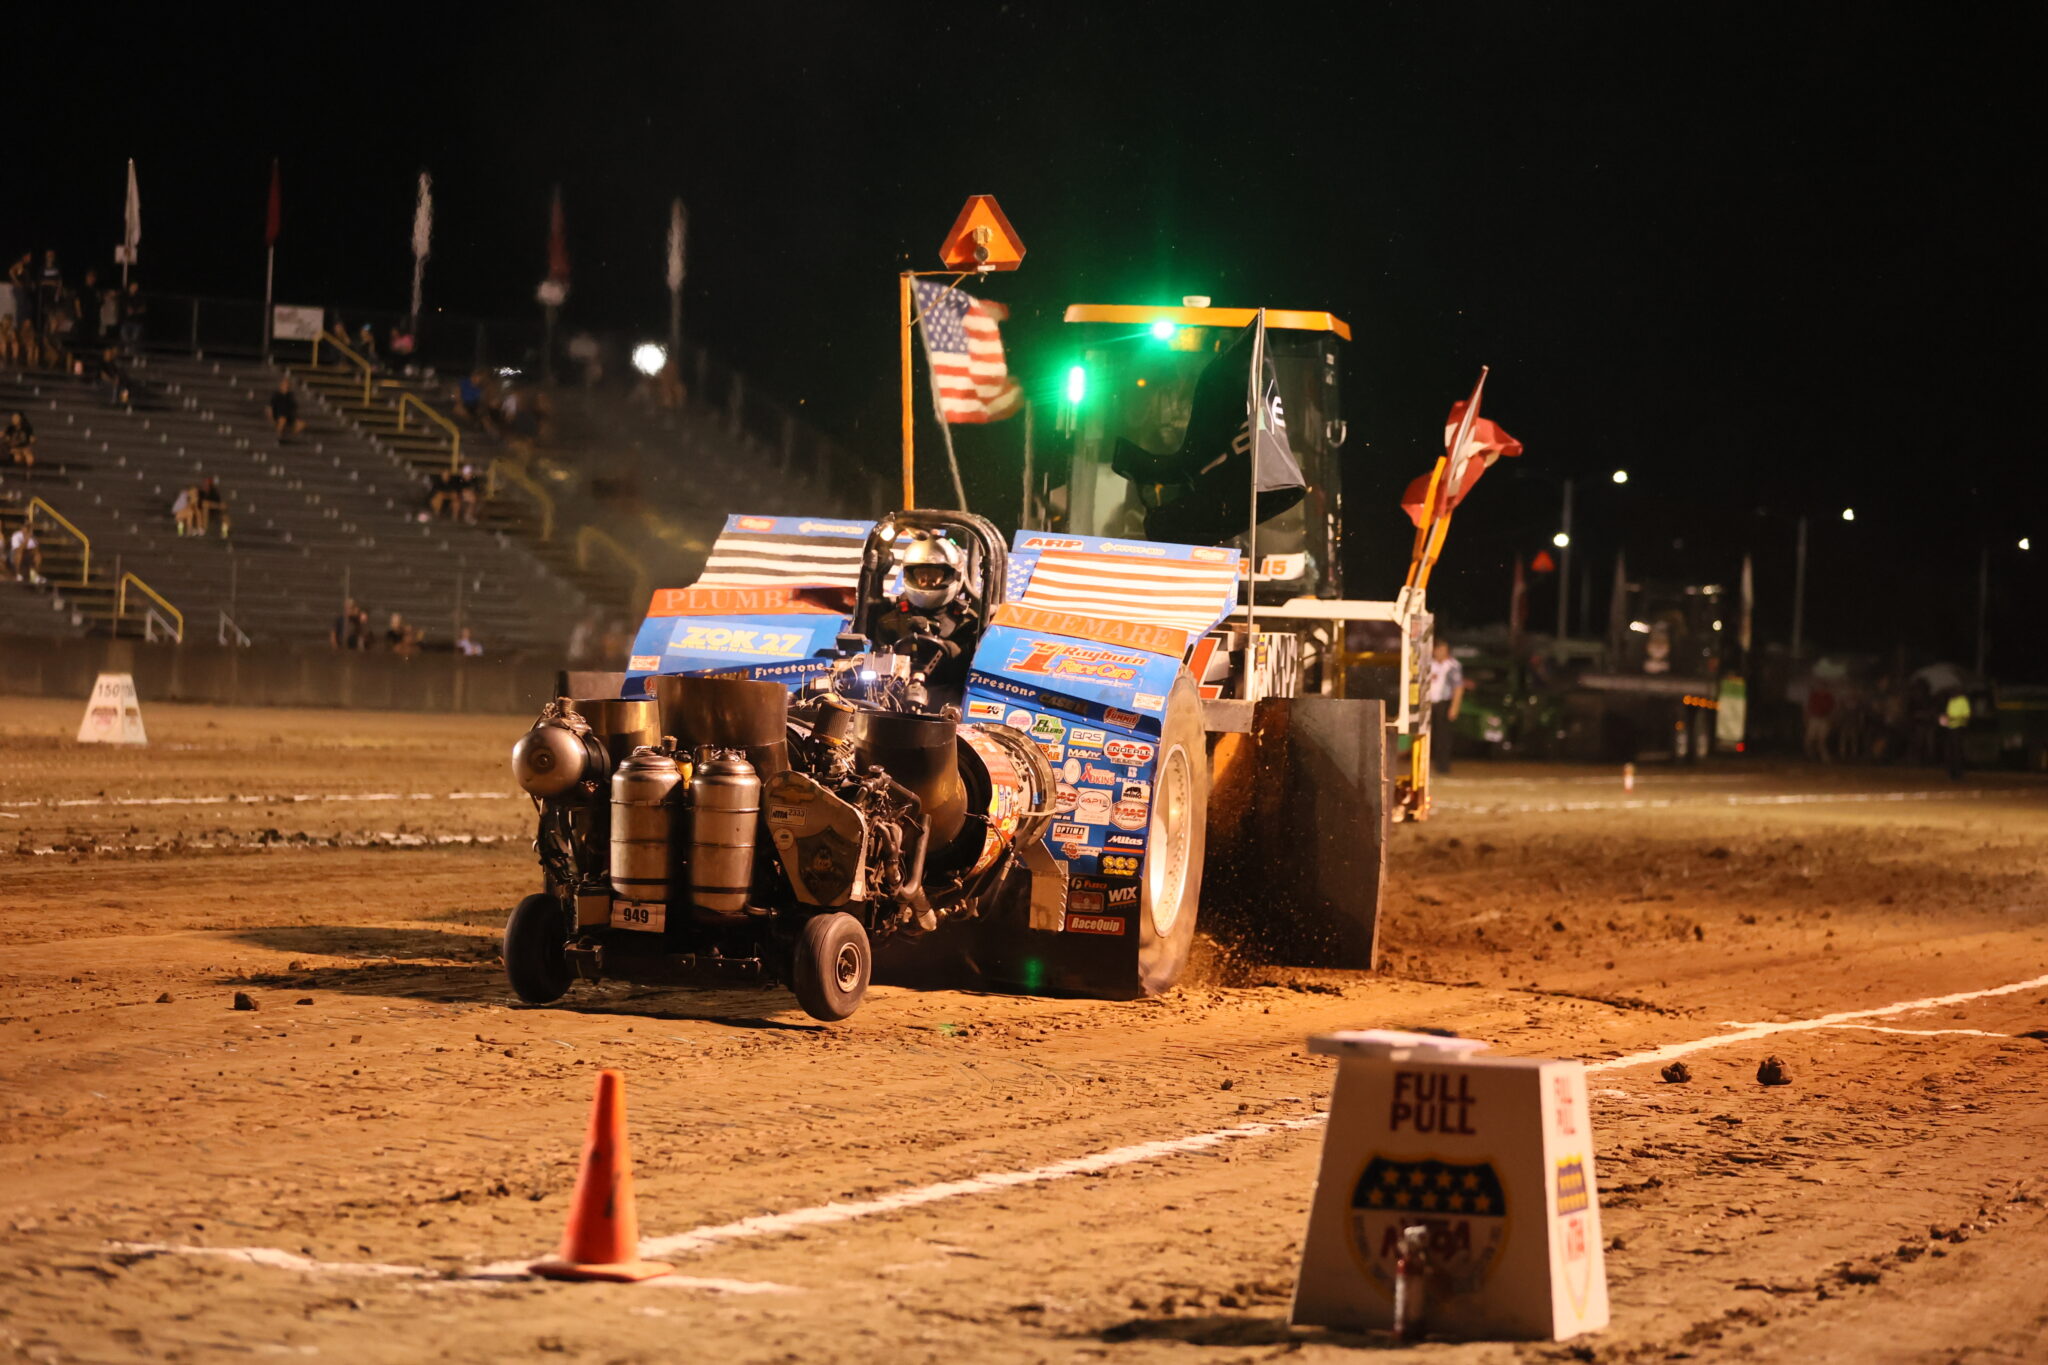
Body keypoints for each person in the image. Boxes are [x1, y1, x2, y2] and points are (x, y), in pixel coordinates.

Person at [1427, 639, 1466, 774]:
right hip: (1428, 704)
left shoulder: (1452, 665)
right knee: (1428, 735)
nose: (1439, 652)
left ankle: (1443, 767)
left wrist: (1454, 707)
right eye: (1438, 649)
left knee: (1443, 736)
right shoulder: (1428, 663)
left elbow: (1458, 687)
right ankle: (1429, 765)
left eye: (1442, 649)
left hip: (1444, 703)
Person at [1939, 689, 1972, 781]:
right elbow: (1948, 713)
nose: (1951, 694)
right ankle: (1951, 772)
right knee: (1949, 751)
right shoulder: (1951, 700)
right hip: (1950, 728)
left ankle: (1958, 773)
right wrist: (1945, 719)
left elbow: (1966, 715)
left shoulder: (1962, 700)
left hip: (1958, 728)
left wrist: (1955, 719)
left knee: (1957, 751)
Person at [1803, 680, 1835, 761]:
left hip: (1824, 720)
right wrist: (1807, 719)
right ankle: (1811, 756)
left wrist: (1830, 721)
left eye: (1823, 686)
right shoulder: (1814, 696)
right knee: (1809, 740)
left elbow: (1832, 710)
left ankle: (1825, 758)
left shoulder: (1829, 697)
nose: (1821, 688)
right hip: (1814, 719)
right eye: (1820, 686)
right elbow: (1808, 708)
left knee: (1821, 741)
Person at [267, 377, 305, 441]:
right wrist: (271, 419)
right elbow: (270, 408)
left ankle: (290, 436)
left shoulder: (290, 396)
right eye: (285, 385)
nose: (286, 387)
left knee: (302, 424)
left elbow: (294, 408)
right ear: (281, 385)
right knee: (282, 420)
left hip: (289, 416)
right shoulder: (276, 395)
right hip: (278, 415)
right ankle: (278, 436)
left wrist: (296, 418)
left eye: (287, 385)